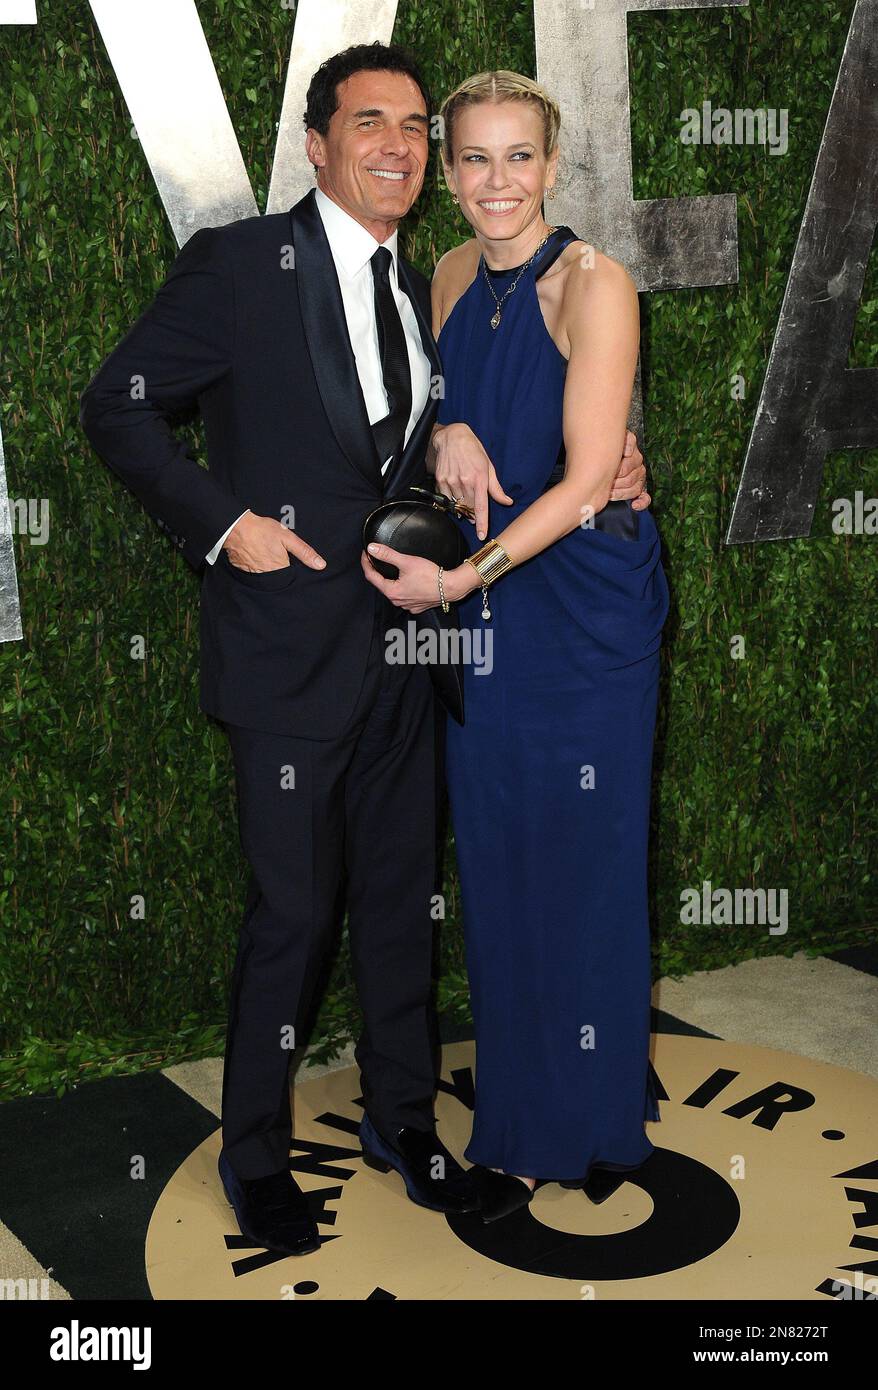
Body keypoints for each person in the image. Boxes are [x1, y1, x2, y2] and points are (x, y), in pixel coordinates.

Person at [80, 44, 650, 1255]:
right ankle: (256, 1160)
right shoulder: (241, 266)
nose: (393, 145)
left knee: (401, 910)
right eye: (369, 124)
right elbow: (116, 402)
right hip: (286, 660)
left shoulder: (426, 276)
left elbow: (453, 414)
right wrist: (224, 526)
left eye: (408, 124)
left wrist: (472, 437)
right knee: (292, 916)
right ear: (318, 144)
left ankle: (406, 1125)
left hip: (416, 648)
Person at [363, 70, 668, 1222]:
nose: (499, 184)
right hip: (491, 614)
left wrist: (455, 577)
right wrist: (449, 424)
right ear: (447, 173)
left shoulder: (593, 284)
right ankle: (545, 1085)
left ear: (553, 165)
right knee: (496, 856)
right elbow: (435, 394)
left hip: (578, 609)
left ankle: (571, 1120)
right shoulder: (441, 272)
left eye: (520, 159)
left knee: (581, 857)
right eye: (475, 161)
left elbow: (591, 479)